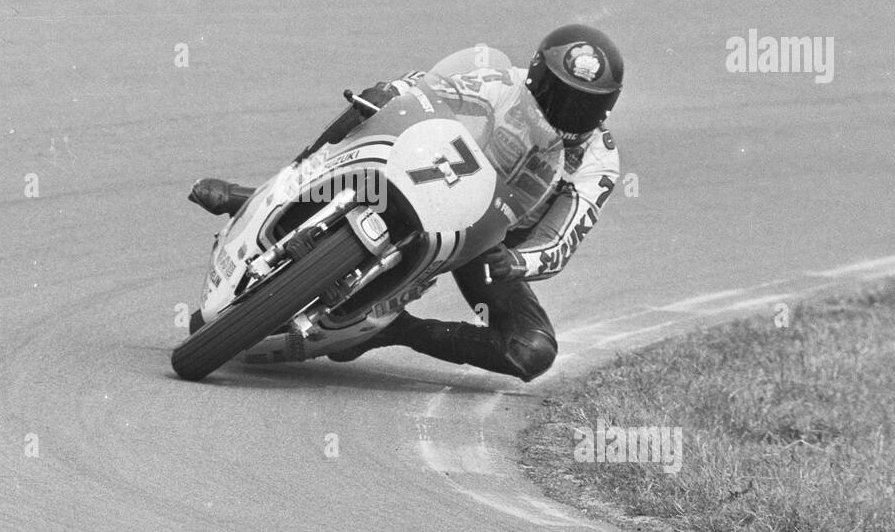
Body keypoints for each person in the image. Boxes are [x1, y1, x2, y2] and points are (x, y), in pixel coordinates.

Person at [189, 24, 623, 383]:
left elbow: (564, 234)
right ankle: (267, 195)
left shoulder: (599, 161)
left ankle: (395, 329)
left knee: (532, 351)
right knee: (360, 120)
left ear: (604, 110)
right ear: (535, 73)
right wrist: (388, 91)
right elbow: (430, 88)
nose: (565, 111)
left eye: (584, 107)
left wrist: (522, 262)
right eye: (558, 93)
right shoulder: (500, 83)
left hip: (492, 240)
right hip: (435, 173)